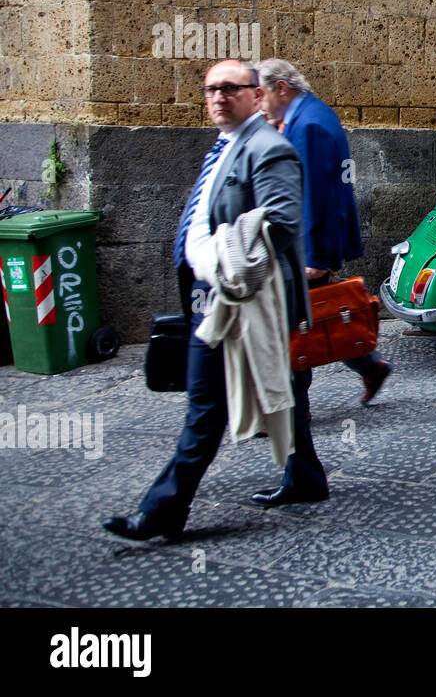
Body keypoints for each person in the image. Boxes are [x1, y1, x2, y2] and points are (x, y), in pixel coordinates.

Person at [102, 60, 327, 540]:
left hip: (237, 301)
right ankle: (306, 478)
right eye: (210, 89)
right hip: (218, 296)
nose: (218, 97)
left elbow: (283, 223)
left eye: (230, 88)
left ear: (255, 94)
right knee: (283, 390)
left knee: (205, 410)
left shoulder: (270, 148)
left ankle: (161, 511)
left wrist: (212, 255)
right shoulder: (228, 144)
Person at [255, 58, 392, 413]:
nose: (258, 101)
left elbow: (312, 195)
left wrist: (314, 258)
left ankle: (288, 408)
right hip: (311, 243)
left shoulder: (308, 126)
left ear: (280, 88)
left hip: (308, 248)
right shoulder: (312, 114)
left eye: (261, 93)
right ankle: (369, 365)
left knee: (298, 326)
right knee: (317, 318)